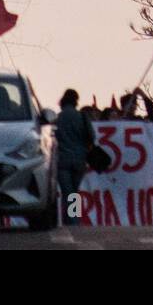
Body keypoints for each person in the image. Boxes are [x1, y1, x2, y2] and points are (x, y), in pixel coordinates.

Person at [55, 88, 93, 226]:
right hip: (79, 161)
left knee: (67, 192)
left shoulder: (58, 118)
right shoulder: (82, 116)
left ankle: (70, 221)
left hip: (63, 160)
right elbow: (92, 137)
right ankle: (73, 220)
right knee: (74, 193)